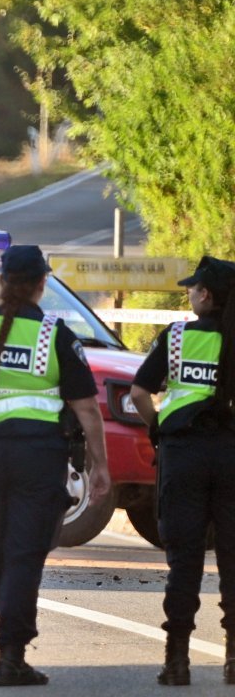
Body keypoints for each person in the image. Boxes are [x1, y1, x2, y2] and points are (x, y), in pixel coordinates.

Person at [0, 244, 110, 687]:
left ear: (0, 281)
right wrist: (101, 467)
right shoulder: (56, 335)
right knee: (23, 556)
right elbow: (88, 410)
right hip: (38, 458)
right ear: (41, 285)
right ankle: (12, 659)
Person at [129, 255, 235, 686]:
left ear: (205, 295)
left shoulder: (175, 338)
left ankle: (177, 662)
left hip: (183, 456)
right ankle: (233, 661)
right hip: (231, 457)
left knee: (185, 561)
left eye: (192, 287)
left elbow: (139, 393)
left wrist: (159, 429)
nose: (188, 292)